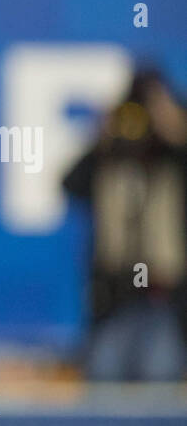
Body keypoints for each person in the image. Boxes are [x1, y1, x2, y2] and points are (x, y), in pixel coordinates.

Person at [63, 67, 187, 381]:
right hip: (115, 299)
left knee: (160, 372)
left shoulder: (173, 161)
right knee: (105, 372)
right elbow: (69, 184)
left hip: (164, 301)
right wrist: (101, 139)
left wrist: (176, 132)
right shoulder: (109, 160)